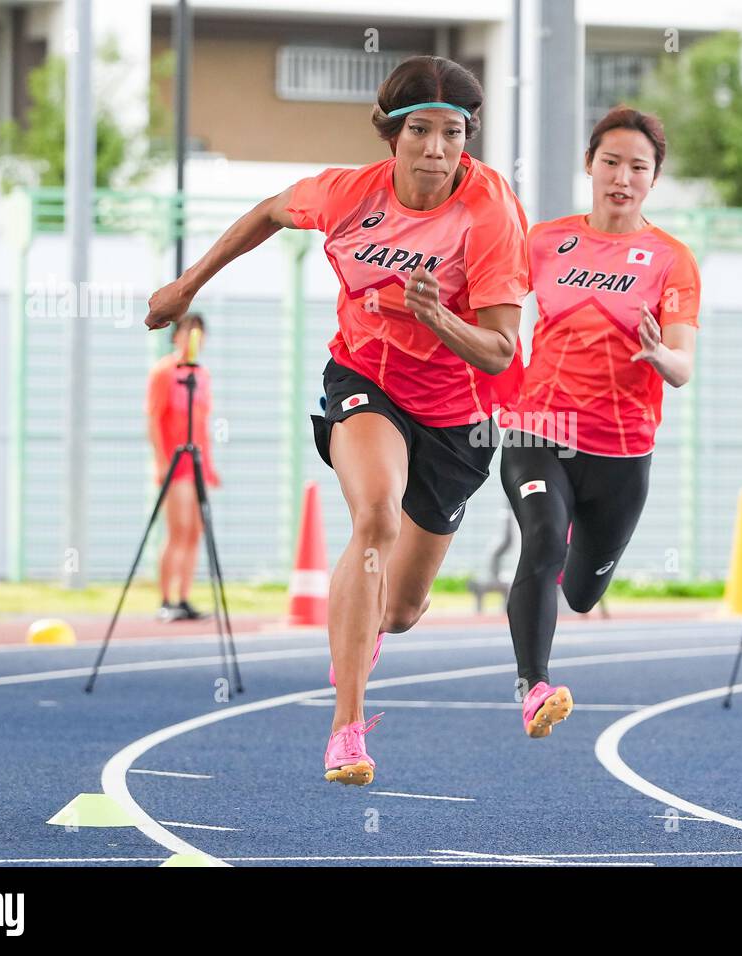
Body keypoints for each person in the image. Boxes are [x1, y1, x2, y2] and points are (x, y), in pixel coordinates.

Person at [143, 56, 529, 786]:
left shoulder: (490, 214)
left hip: (457, 412)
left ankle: (362, 631)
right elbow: (265, 213)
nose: (438, 151)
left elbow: (500, 350)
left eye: (454, 134)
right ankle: (347, 727)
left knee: (406, 610)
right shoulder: (350, 194)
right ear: (392, 133)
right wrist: (186, 284)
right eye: (421, 131)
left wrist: (437, 316)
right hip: (366, 378)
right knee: (375, 515)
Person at [500, 106, 701, 738]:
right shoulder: (542, 241)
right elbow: (493, 316)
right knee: (541, 540)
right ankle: (535, 686)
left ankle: (572, 600)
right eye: (611, 162)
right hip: (540, 432)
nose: (622, 177)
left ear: (654, 178)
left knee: (582, 592)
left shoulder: (671, 259)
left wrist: (657, 353)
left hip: (620, 452)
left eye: (637, 167)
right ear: (590, 164)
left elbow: (683, 365)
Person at [146, 312, 221, 622]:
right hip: (174, 461)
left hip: (197, 462)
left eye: (200, 332)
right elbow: (153, 418)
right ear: (176, 335)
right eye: (190, 330)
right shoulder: (164, 372)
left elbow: (202, 423)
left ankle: (185, 595)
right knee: (177, 530)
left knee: (194, 531)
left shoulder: (202, 375)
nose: (196, 337)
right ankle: (166, 598)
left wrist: (209, 466)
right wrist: (162, 461)